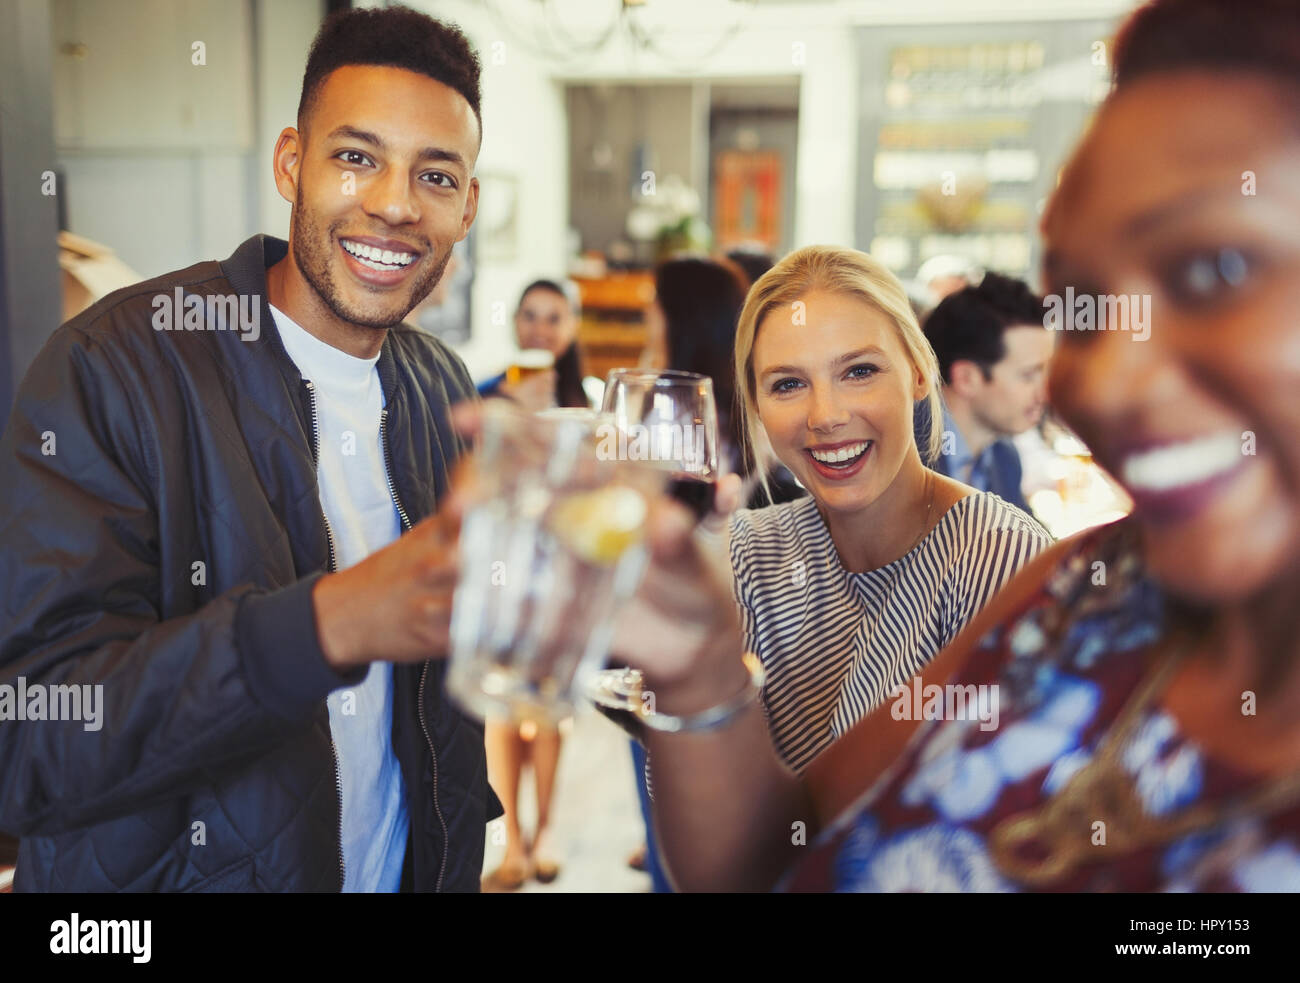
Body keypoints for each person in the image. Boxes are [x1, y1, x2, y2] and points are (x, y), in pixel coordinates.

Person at [612, 0, 1300, 892]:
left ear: (922, 375)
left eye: (1215, 270)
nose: (1108, 379)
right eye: (1081, 297)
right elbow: (781, 853)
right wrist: (697, 666)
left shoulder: (1009, 557)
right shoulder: (1084, 597)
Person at [0, 7, 500, 892]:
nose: (393, 202)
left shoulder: (443, 387)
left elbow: (443, 707)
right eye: (356, 156)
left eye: (435, 174)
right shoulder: (113, 367)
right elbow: (29, 739)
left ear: (466, 207)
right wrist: (326, 623)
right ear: (290, 164)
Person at [722, 246, 1052, 775]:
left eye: (859, 371)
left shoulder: (1001, 557)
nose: (825, 416)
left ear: (920, 373)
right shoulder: (744, 552)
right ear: (757, 404)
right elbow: (701, 828)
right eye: (788, 384)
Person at [920, 273, 1053, 514]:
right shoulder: (904, 460)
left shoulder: (1003, 455)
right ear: (967, 379)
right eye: (1028, 376)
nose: (1045, 393)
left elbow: (1027, 546)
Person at [478, 279, 588, 412]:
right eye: (530, 317)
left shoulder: (594, 396)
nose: (540, 330)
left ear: (574, 325)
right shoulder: (482, 396)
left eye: (554, 319)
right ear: (515, 320)